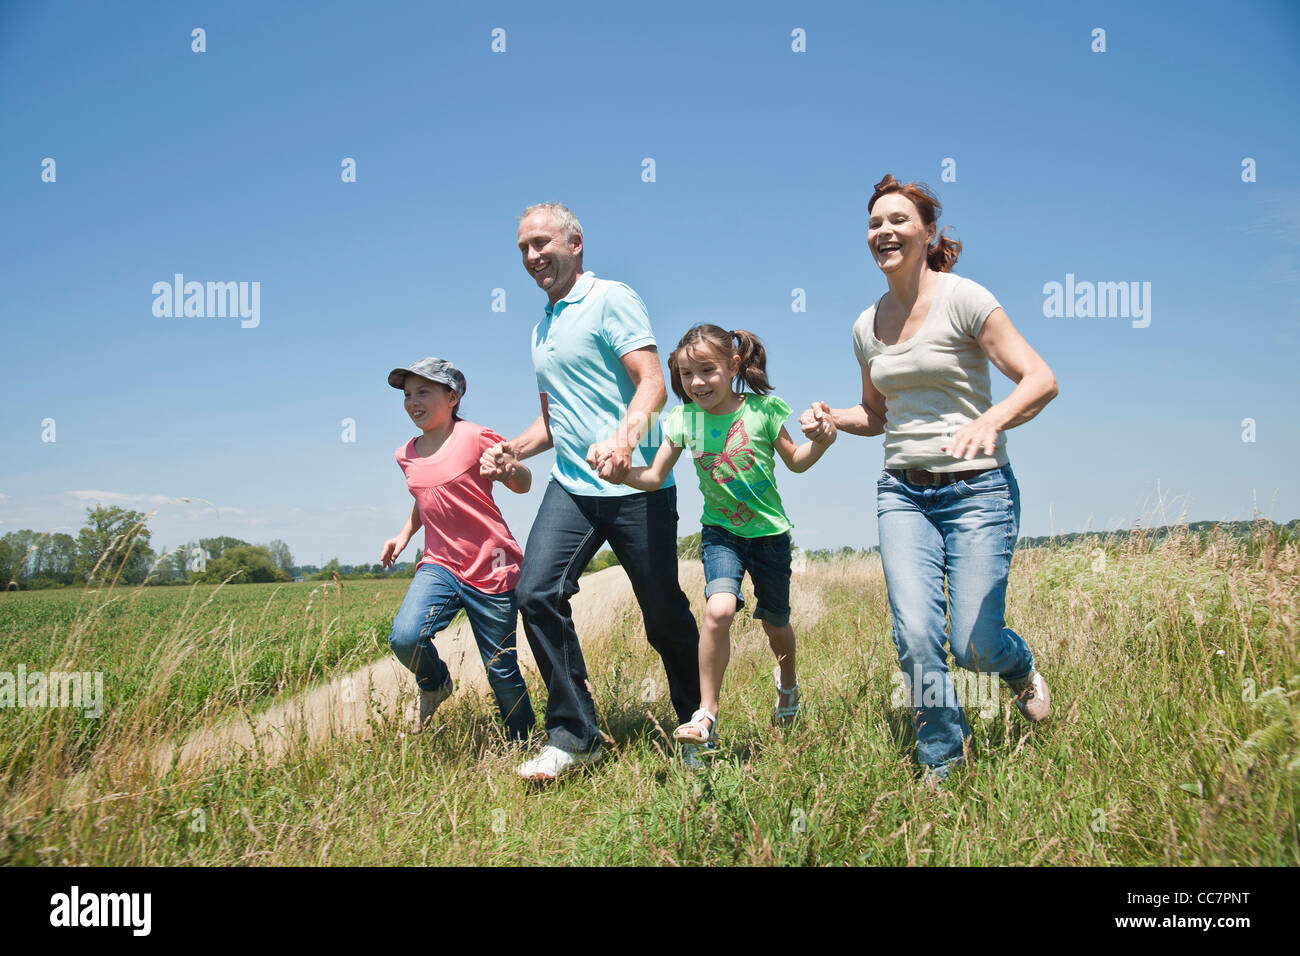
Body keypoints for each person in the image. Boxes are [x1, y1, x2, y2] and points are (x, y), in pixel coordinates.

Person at [801, 174, 1058, 783]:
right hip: (903, 493)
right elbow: (877, 414)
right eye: (874, 224)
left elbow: (1040, 379)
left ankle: (1016, 667)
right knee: (916, 634)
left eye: (897, 221)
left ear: (927, 232)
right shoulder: (867, 326)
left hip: (978, 491)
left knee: (974, 644)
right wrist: (832, 417)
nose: (884, 232)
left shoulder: (965, 298)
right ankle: (944, 755)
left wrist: (989, 422)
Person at [481, 202, 701, 782]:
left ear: (575, 244)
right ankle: (576, 735)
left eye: (541, 243)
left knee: (662, 615)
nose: (532, 257)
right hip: (574, 487)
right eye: (523, 248)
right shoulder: (541, 327)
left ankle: (697, 723)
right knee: (535, 594)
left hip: (636, 484)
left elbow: (652, 381)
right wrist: (513, 451)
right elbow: (555, 421)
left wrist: (626, 442)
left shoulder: (611, 298)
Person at [612, 324, 836, 751]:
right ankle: (706, 713)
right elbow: (656, 476)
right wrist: (624, 474)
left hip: (769, 535)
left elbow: (798, 462)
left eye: (707, 371)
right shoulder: (683, 420)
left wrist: (822, 442)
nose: (696, 382)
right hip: (721, 534)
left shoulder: (764, 411)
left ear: (733, 366)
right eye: (685, 374)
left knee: (776, 624)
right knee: (718, 612)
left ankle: (787, 683)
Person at [381, 357, 535, 741]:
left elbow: (523, 483)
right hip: (440, 564)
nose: (413, 402)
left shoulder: (476, 437)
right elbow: (426, 496)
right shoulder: (407, 454)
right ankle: (435, 684)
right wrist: (404, 535)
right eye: (407, 395)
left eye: (424, 392)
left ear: (452, 397)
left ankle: (522, 740)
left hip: (492, 566)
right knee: (405, 635)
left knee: (501, 668)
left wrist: (510, 470)